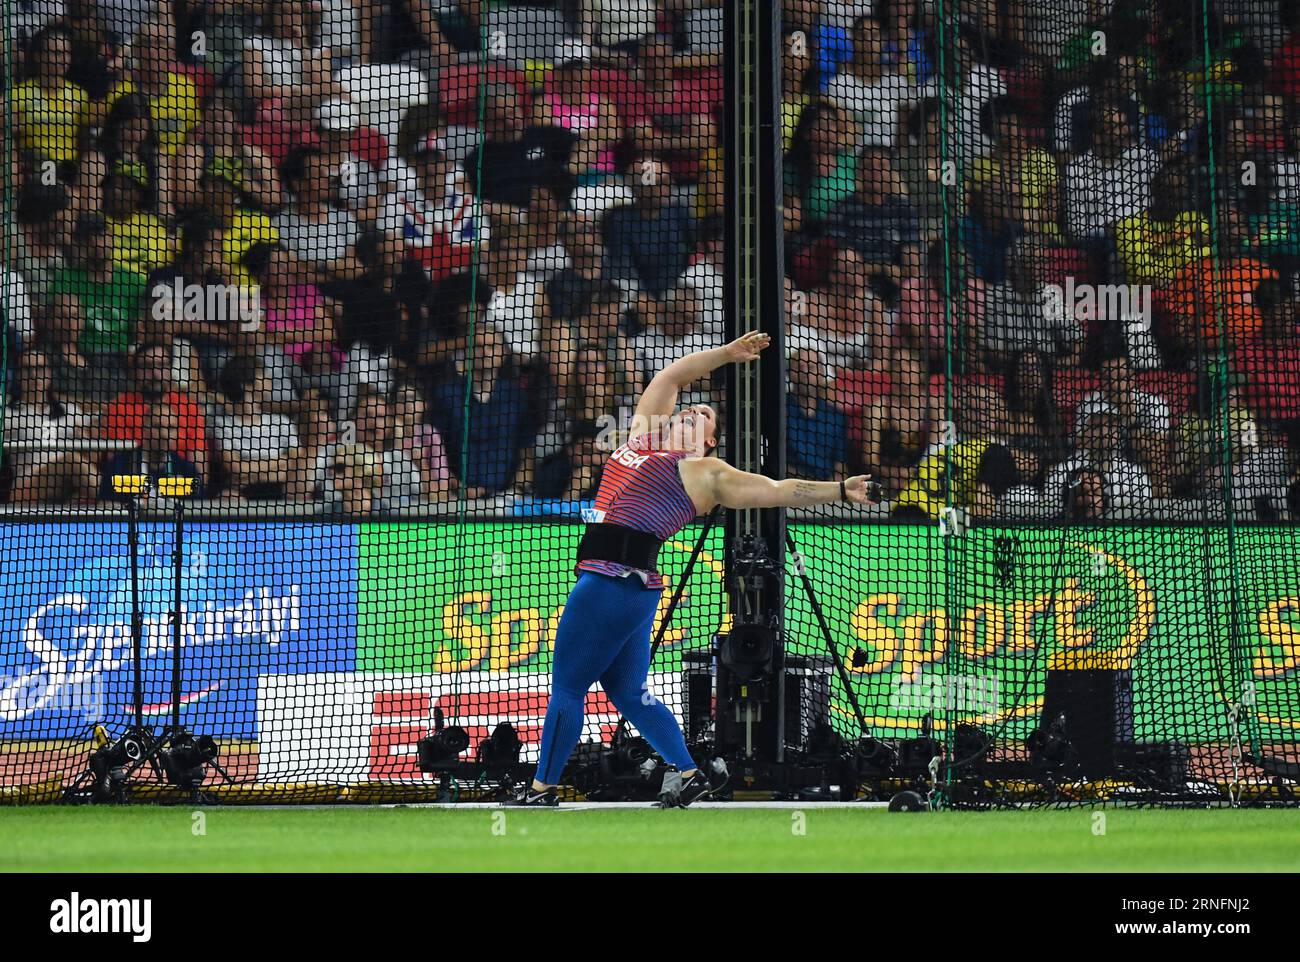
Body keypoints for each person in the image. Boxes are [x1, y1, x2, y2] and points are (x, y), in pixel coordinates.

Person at [510, 331, 881, 807]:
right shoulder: (641, 438)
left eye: (705, 415)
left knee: (567, 685)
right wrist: (726, 354)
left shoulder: (706, 474)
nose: (693, 411)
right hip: (631, 588)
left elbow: (780, 490)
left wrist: (840, 490)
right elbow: (671, 377)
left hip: (611, 581)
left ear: (710, 440)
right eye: (690, 408)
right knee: (628, 691)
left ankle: (541, 789)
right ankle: (688, 773)